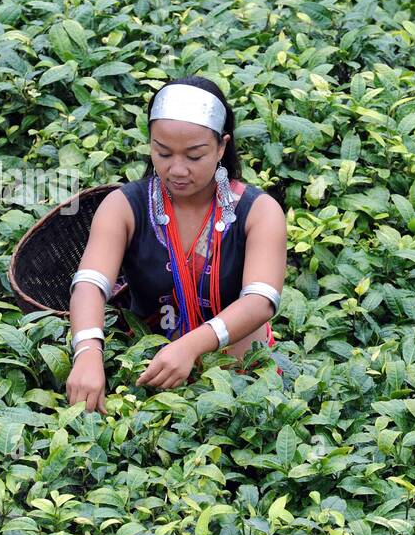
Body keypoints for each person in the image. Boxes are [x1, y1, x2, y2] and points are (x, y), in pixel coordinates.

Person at [64, 75, 288, 413]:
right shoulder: (125, 206)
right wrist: (87, 352)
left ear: (222, 147)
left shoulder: (258, 212)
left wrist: (191, 347)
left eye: (195, 156)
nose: (177, 170)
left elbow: (261, 300)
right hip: (148, 377)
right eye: (163, 153)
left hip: (245, 381)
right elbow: (90, 284)